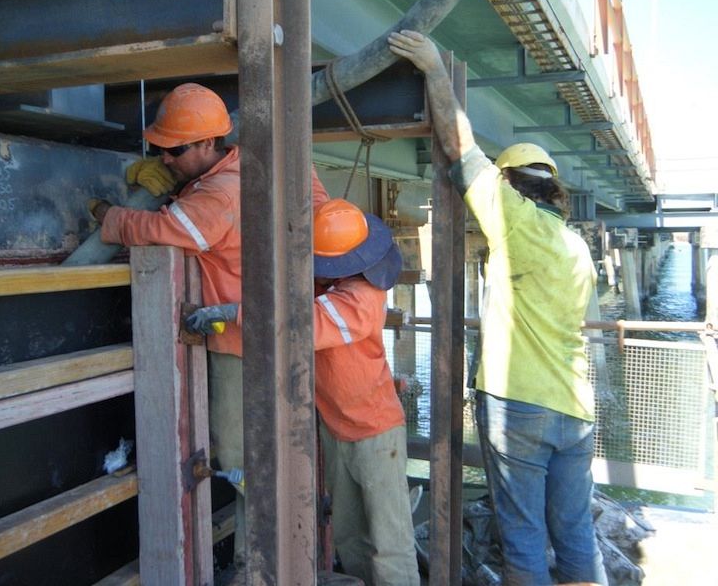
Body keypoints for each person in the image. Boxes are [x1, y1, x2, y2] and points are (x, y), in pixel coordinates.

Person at [388, 31, 607, 585]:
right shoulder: (578, 247)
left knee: (523, 537)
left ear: (510, 185)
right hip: (576, 407)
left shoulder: (514, 219)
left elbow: (460, 146)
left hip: (519, 404)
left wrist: (435, 70)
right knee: (574, 533)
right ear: (553, 190)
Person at [89, 82, 329, 579]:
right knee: (277, 458)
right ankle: (287, 558)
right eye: (160, 149)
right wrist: (178, 185)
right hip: (282, 337)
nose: (165, 158)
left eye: (174, 151)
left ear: (207, 143)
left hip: (241, 346)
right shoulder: (261, 169)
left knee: (244, 463)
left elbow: (162, 230)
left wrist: (110, 217)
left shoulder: (217, 194)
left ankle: (259, 568)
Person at [187, 199, 419, 586]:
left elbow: (299, 325)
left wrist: (232, 313)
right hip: (337, 430)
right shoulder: (329, 284)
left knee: (390, 543)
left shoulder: (361, 301)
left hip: (377, 434)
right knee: (350, 536)